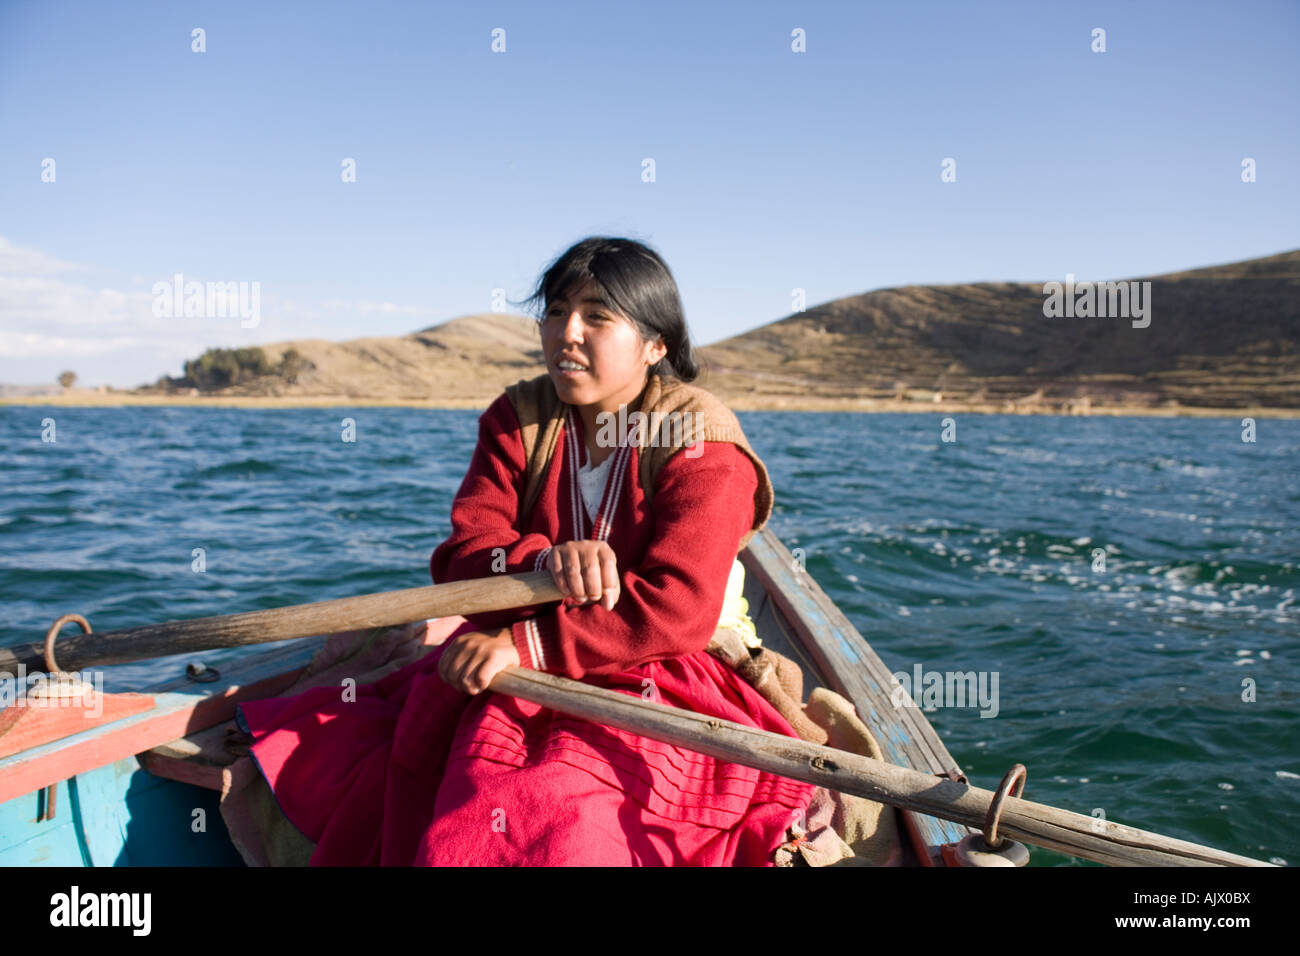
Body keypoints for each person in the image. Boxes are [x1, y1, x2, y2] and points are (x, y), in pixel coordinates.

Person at [235, 236, 816, 865]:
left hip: (665, 663)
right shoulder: (519, 419)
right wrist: (542, 563)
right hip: (515, 651)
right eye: (556, 311)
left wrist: (524, 645)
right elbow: (462, 559)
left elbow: (680, 610)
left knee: (555, 807)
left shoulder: (701, 443)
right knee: (411, 754)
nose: (567, 333)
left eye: (597, 316)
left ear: (656, 346)